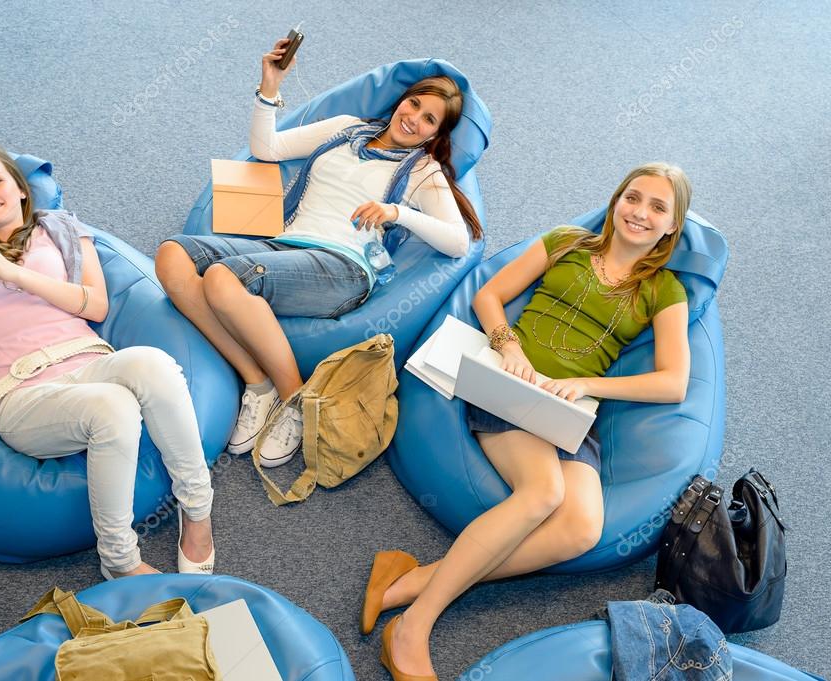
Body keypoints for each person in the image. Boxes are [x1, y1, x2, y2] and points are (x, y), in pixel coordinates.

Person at [363, 162, 693, 681]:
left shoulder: (665, 289)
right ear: (616, 200)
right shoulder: (566, 242)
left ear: (673, 225)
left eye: (658, 208)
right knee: (542, 495)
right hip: (510, 393)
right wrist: (508, 345)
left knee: (583, 529)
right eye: (634, 197)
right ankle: (412, 625)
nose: (640, 213)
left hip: (572, 413)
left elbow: (673, 381)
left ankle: (413, 581)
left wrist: (587, 386)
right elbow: (487, 296)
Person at [155, 39, 483, 469]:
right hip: (284, 246)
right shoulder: (346, 128)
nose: (414, 120)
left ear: (436, 135)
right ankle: (257, 381)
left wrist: (397, 212)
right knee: (171, 255)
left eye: (429, 120)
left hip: (343, 267)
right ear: (401, 99)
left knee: (222, 277)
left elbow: (459, 241)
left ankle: (296, 402)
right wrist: (268, 87)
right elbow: (266, 148)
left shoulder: (423, 170)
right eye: (414, 104)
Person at [0, 134, 216, 581]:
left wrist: (9, 271)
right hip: (23, 389)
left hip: (89, 359)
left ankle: (197, 512)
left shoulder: (59, 228)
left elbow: (95, 305)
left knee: (155, 364)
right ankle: (119, 560)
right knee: (113, 406)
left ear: (20, 188)